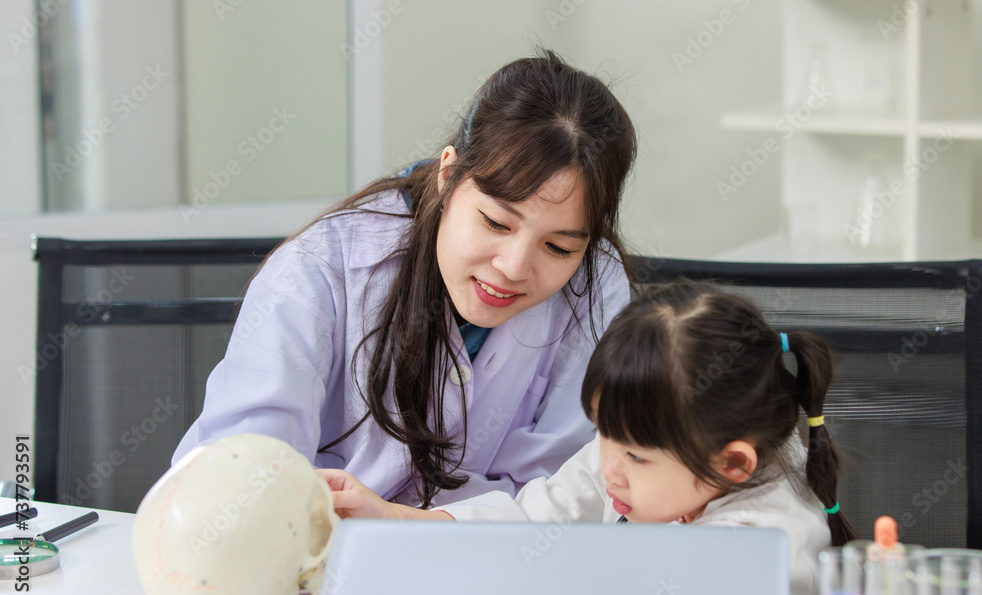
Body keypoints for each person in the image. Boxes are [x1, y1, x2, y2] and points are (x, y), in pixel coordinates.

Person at [171, 50, 638, 509]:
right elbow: (237, 478)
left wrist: (411, 523)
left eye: (559, 247)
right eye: (496, 223)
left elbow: (572, 496)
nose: (514, 267)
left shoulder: (597, 287)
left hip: (496, 556)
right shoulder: (320, 271)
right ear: (448, 174)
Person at [320, 281, 858, 595]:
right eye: (605, 435)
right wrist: (392, 520)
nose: (609, 468)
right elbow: (533, 521)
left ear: (732, 465)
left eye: (635, 456)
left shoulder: (763, 548)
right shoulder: (640, 449)